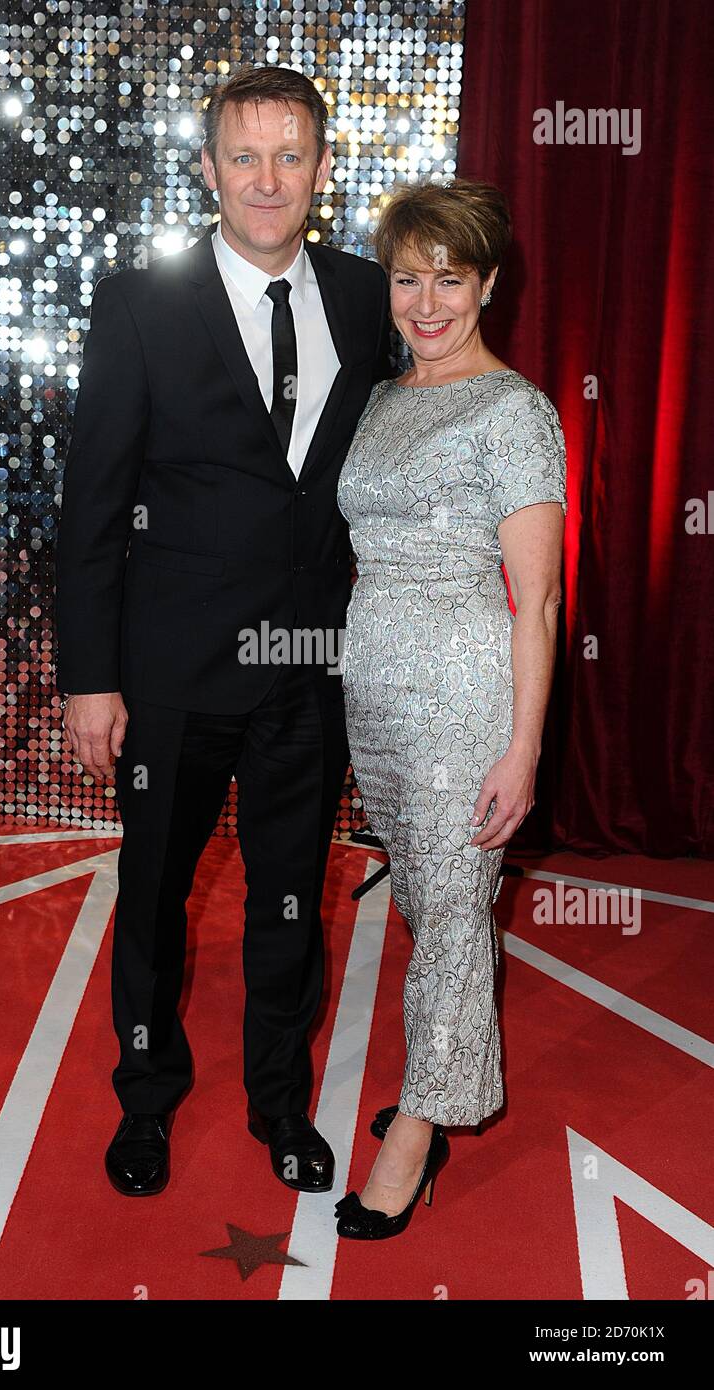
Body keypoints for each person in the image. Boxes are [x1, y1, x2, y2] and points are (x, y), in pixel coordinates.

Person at [54, 65, 394, 1197]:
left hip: (306, 667)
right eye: (242, 157)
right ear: (205, 169)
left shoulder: (359, 296)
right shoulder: (136, 302)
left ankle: (277, 1103)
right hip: (171, 673)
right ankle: (145, 1100)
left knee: (289, 895)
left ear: (321, 172)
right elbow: (93, 507)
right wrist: (89, 677)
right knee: (152, 900)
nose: (265, 179)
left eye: (288, 156)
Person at [334, 178, 567, 1240]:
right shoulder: (382, 398)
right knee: (435, 906)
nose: (425, 301)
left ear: (486, 284)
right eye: (406, 277)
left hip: (464, 691)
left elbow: (540, 602)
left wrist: (520, 749)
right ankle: (445, 1076)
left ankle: (415, 1131)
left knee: (450, 915)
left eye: (448, 278)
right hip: (374, 692)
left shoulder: (512, 411)